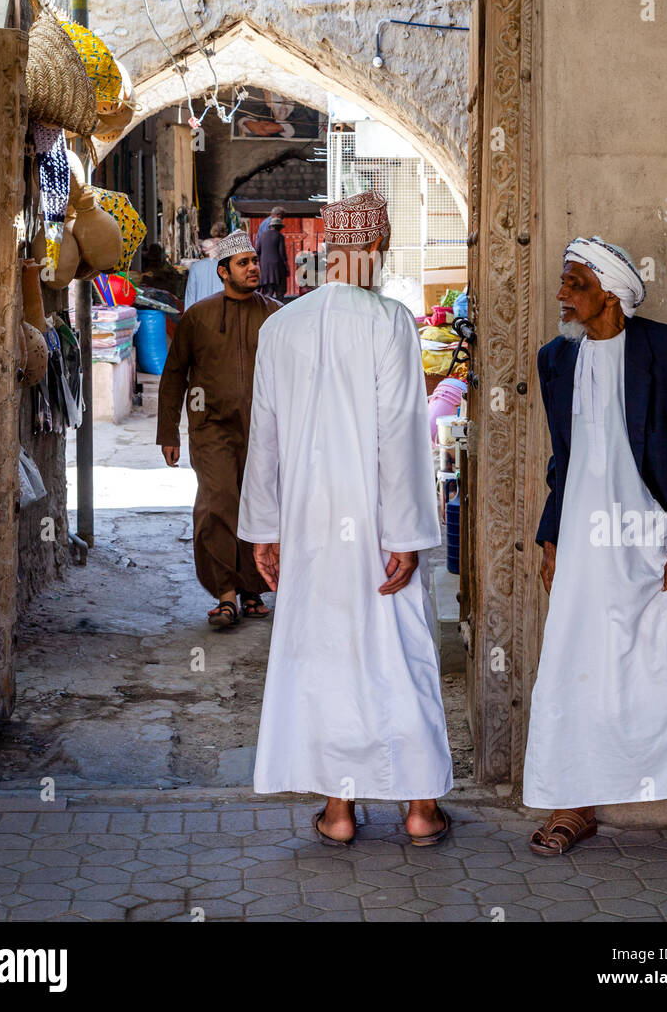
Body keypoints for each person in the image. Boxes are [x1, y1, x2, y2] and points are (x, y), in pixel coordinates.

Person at [524, 235, 667, 868]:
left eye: (574, 284)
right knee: (581, 661)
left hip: (666, 542)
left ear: (611, 292)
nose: (562, 295)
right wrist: (552, 538)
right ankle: (577, 801)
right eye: (563, 282)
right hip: (589, 543)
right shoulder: (557, 360)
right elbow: (564, 461)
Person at [238, 190, 452, 845]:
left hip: (306, 527)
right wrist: (408, 535)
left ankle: (338, 812)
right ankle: (419, 810)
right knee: (401, 653)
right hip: (378, 527)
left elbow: (264, 438)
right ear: (377, 249)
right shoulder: (388, 320)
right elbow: (398, 432)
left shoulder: (280, 326)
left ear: (329, 251)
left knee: (326, 657)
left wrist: (264, 531)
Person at [156, 230, 282, 629]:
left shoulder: (276, 315)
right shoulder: (198, 317)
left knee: (256, 502)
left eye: (254, 261)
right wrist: (169, 433)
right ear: (222, 271)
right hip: (211, 428)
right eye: (243, 263)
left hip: (263, 429)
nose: (253, 268)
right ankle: (225, 592)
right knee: (217, 503)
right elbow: (174, 374)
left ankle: (252, 588)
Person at [256, 215, 289, 301]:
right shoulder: (279, 236)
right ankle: (279, 310)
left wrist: (260, 263)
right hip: (278, 268)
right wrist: (286, 266)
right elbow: (282, 254)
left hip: (265, 268)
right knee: (279, 292)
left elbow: (257, 251)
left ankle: (266, 310)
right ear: (279, 227)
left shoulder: (262, 236)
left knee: (267, 292)